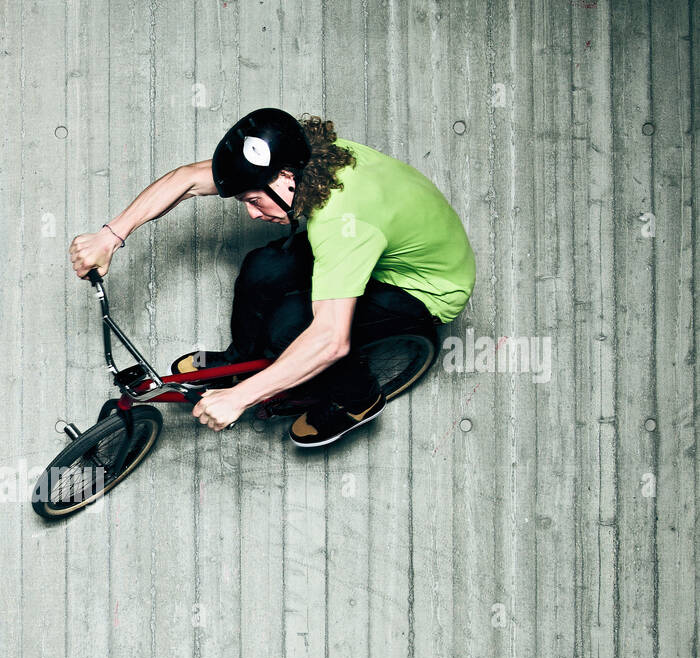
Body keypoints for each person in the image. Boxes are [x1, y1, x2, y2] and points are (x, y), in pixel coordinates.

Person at [68, 108, 476, 447]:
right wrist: (111, 236)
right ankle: (241, 361)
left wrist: (240, 399)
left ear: (285, 178)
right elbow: (189, 180)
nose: (251, 213)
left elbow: (331, 340)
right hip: (383, 245)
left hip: (423, 288)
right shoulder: (306, 158)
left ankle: (359, 402)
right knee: (261, 268)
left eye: (253, 200)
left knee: (289, 330)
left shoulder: (342, 224)